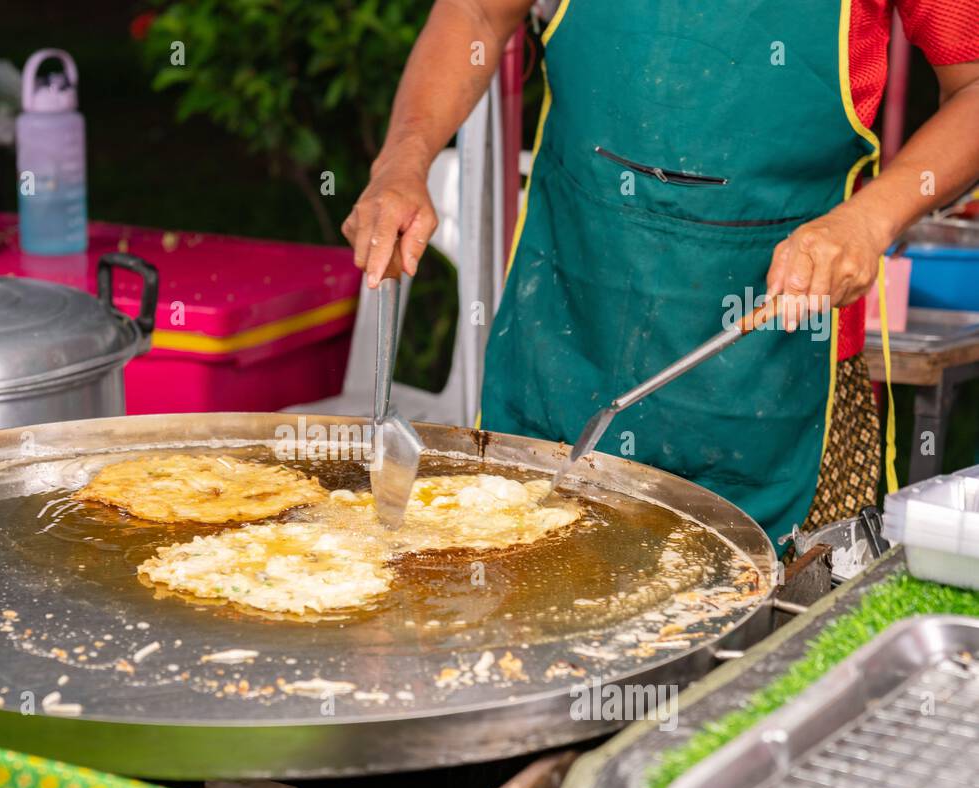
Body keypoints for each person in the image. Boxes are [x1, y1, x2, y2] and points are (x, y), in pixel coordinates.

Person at [343, 0, 979, 545]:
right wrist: (403, 159)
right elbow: (477, 11)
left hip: (778, 369)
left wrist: (871, 220)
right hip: (562, 329)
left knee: (757, 660)